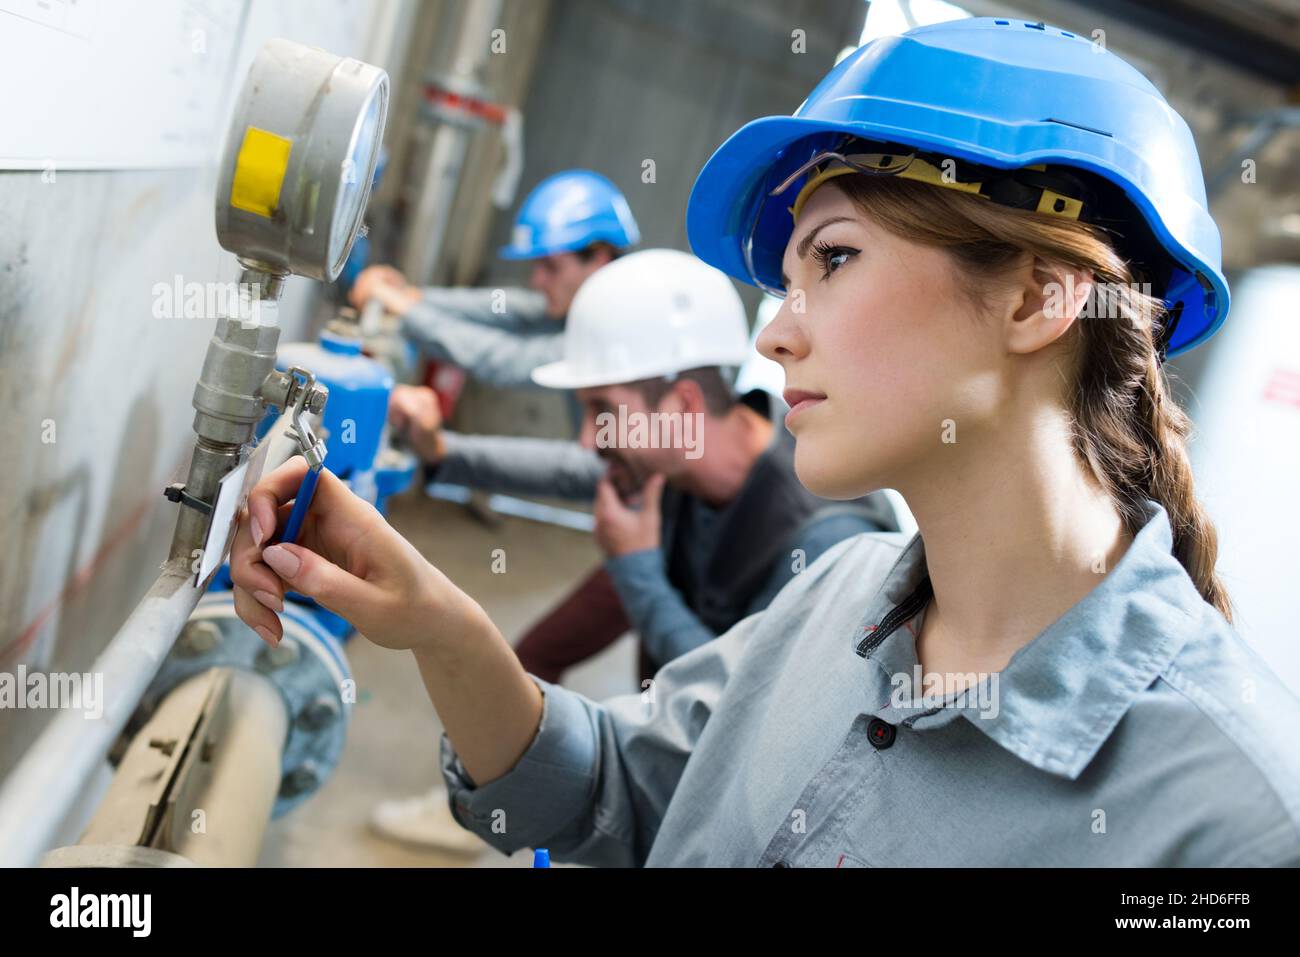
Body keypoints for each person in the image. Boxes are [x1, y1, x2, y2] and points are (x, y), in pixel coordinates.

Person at [231, 18, 1300, 866]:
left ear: (1035, 299)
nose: (776, 332)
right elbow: (611, 794)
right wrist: (442, 627)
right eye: (784, 280)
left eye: (831, 260)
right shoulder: (830, 603)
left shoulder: (1237, 819)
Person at [369, 248, 897, 849]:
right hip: (662, 579)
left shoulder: (822, 543)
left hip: (745, 804)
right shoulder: (690, 450)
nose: (587, 437)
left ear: (682, 408)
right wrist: (445, 455)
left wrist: (638, 572)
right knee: (536, 652)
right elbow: (574, 471)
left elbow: (743, 714)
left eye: (601, 411)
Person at [350, 169, 639, 391]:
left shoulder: (618, 333)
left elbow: (507, 361)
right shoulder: (588, 307)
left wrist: (405, 309)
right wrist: (410, 296)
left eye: (551, 267)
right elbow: (510, 308)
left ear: (599, 261)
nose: (537, 281)